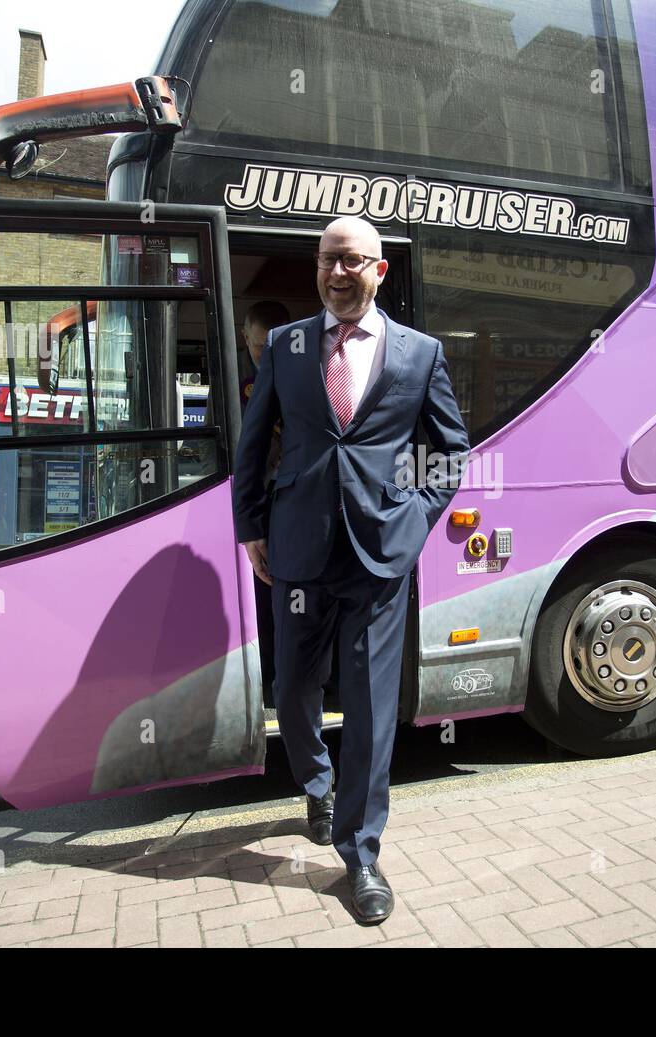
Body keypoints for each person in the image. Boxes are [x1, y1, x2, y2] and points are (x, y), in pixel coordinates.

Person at [233, 215, 469, 924]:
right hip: (298, 549)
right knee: (293, 684)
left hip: (378, 556)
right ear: (317, 267)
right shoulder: (286, 344)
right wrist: (250, 528)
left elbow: (450, 450)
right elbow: (254, 444)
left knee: (369, 703)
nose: (339, 273)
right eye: (328, 261)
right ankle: (314, 778)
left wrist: (414, 517)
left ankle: (361, 853)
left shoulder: (419, 354)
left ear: (379, 271)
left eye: (353, 262)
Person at [239, 299, 290, 698]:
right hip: (256, 507)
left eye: (272, 346)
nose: (264, 354)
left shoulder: (306, 378)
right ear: (245, 338)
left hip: (293, 504)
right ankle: (270, 681)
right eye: (258, 347)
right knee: (263, 596)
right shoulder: (237, 384)